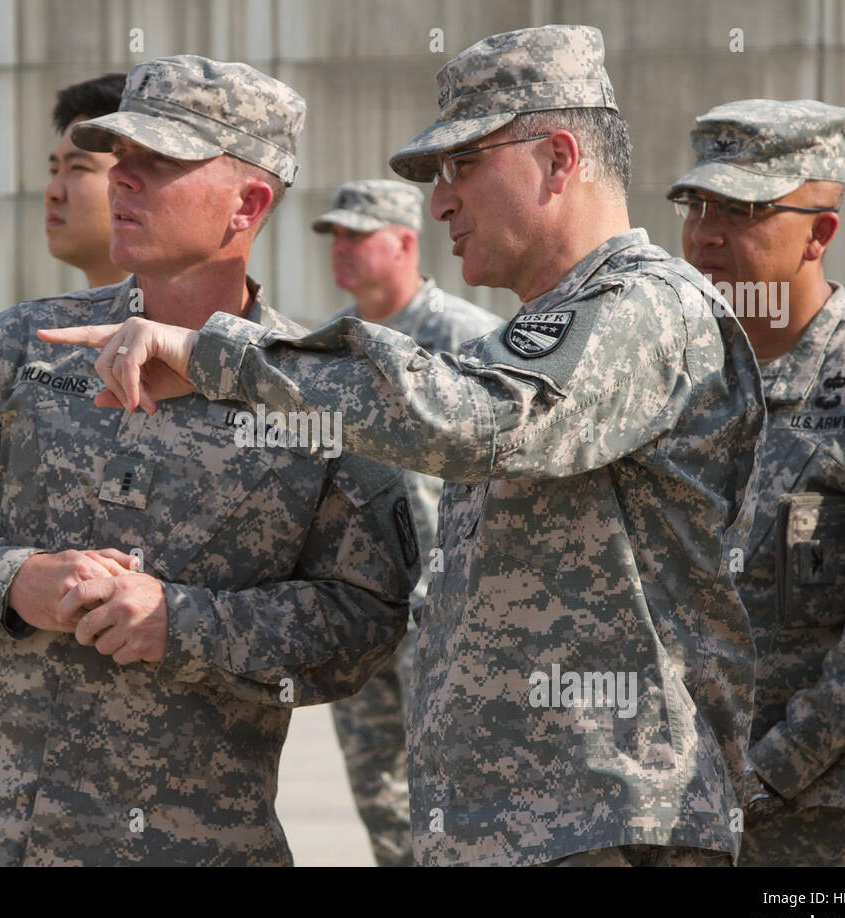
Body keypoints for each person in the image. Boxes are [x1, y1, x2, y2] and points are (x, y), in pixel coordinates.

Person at [41, 24, 767, 867]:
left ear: (561, 159)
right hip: (528, 831)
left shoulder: (648, 306)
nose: (441, 201)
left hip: (611, 825)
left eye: (464, 165)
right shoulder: (547, 329)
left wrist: (216, 354)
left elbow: (485, 420)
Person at [0, 54, 416, 866]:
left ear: (248, 203)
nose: (123, 179)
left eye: (158, 163)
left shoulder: (318, 397)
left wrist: (184, 623)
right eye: (120, 157)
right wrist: (14, 580)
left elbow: (364, 622)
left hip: (190, 844)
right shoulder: (26, 345)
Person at [668, 98, 845, 866]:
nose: (706, 234)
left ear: (820, 232)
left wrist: (770, 773)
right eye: (697, 204)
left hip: (839, 834)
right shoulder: (683, 385)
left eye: (744, 209)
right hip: (688, 820)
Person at [313, 178, 500, 866]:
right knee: (381, 796)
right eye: (335, 236)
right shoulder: (338, 345)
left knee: (450, 800)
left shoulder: (468, 337)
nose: (342, 250)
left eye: (358, 236)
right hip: (359, 610)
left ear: (405, 242)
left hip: (442, 615)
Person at [0, 73, 129, 679]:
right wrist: (1, 590)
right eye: (53, 168)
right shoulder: (21, 342)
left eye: (78, 169)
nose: (53, 191)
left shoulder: (239, 361)